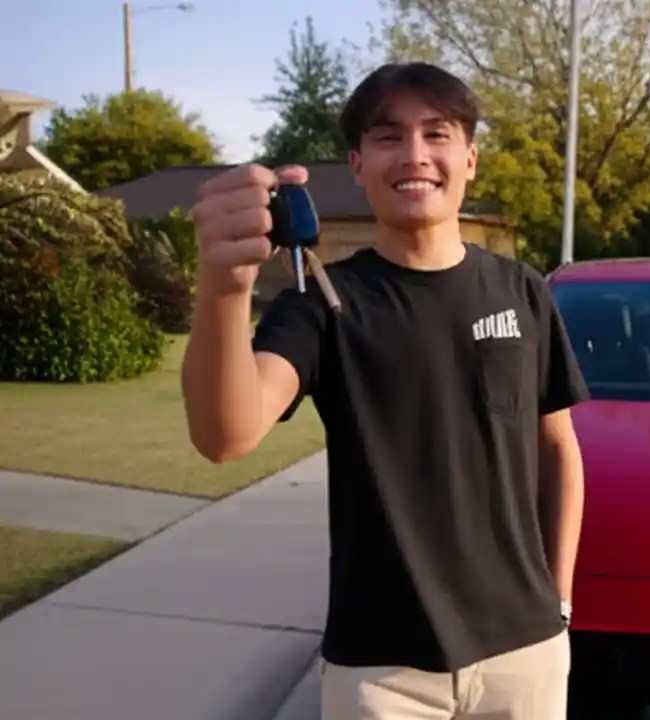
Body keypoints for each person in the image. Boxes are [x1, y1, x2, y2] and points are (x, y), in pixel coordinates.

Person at [180, 62, 590, 719]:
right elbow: (225, 435)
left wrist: (559, 600)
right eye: (389, 136)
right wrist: (225, 288)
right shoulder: (322, 305)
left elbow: (558, 449)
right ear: (358, 164)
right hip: (380, 672)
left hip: (524, 653)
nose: (415, 154)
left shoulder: (522, 290)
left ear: (470, 158)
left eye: (437, 133)